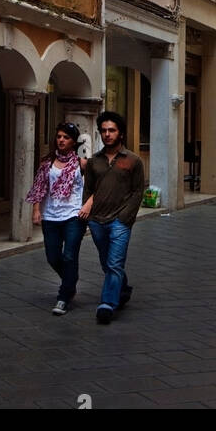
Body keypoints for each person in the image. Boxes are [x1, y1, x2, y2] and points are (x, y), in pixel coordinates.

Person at [82, 110, 145, 324]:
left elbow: (138, 191)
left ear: (120, 134)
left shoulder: (133, 160)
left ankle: (107, 304)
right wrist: (88, 214)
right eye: (104, 131)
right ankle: (123, 288)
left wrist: (126, 217)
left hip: (120, 221)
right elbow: (88, 189)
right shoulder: (94, 162)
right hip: (98, 220)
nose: (107, 134)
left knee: (115, 262)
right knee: (106, 262)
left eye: (112, 130)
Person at [27, 121, 88, 315]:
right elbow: (39, 188)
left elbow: (94, 187)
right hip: (50, 216)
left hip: (74, 215)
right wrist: (36, 210)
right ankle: (71, 281)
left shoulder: (81, 164)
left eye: (66, 137)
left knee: (69, 256)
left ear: (73, 142)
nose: (61, 140)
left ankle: (63, 296)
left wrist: (88, 206)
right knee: (53, 257)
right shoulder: (47, 163)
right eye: (59, 136)